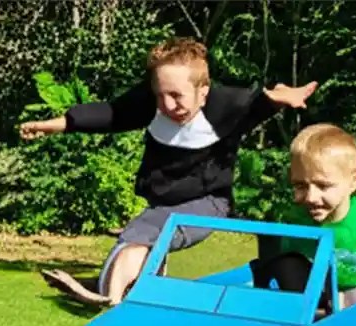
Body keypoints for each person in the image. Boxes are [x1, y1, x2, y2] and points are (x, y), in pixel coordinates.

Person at [18, 37, 318, 306]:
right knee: (135, 235)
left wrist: (279, 98)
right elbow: (109, 114)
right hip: (162, 205)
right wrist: (53, 125)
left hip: (208, 203)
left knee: (150, 233)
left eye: (177, 95)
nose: (168, 105)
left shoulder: (226, 106)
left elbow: (259, 103)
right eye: (160, 95)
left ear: (203, 92)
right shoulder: (152, 106)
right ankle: (113, 289)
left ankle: (112, 292)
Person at [253, 122, 356, 312]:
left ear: (353, 181)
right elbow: (287, 267)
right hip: (318, 301)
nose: (311, 197)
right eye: (300, 186)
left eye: (323, 186)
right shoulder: (296, 219)